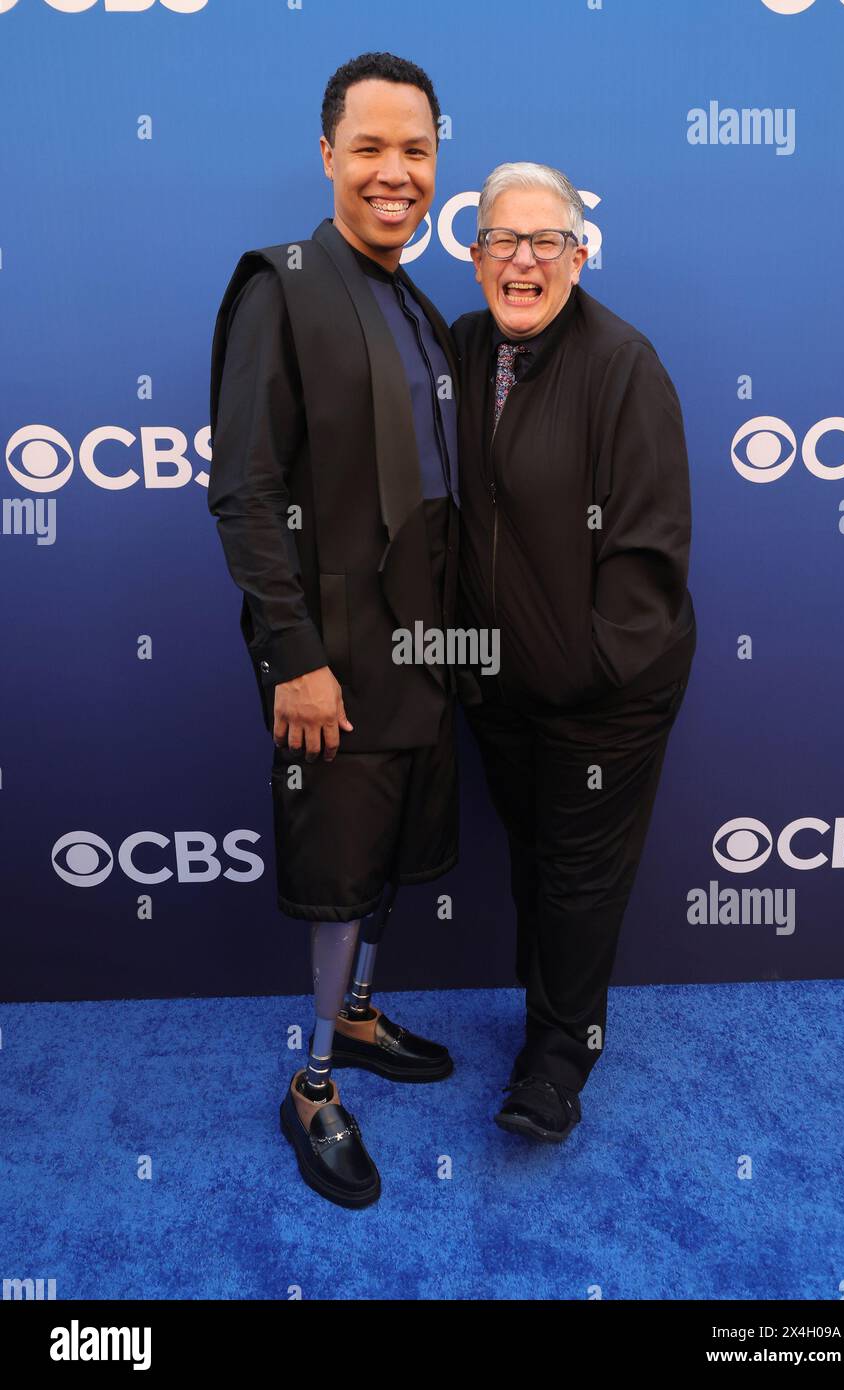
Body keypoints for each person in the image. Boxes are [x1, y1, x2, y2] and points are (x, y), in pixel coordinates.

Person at [207, 53, 460, 1208]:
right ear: (327, 156)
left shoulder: (412, 296)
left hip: (424, 659)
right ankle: (312, 1085)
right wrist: (292, 657)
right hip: (333, 669)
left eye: (415, 150)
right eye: (369, 148)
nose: (394, 172)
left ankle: (354, 1021)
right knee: (335, 879)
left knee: (384, 868)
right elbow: (247, 494)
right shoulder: (284, 281)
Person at [452, 161, 697, 1144]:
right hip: (501, 684)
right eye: (501, 242)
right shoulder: (461, 350)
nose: (522, 260)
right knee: (537, 856)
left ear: (579, 254)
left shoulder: (623, 365)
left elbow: (647, 559)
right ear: (474, 260)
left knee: (580, 874)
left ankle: (557, 1063)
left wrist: (578, 674)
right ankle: (547, 1009)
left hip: (607, 691)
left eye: (543, 241)